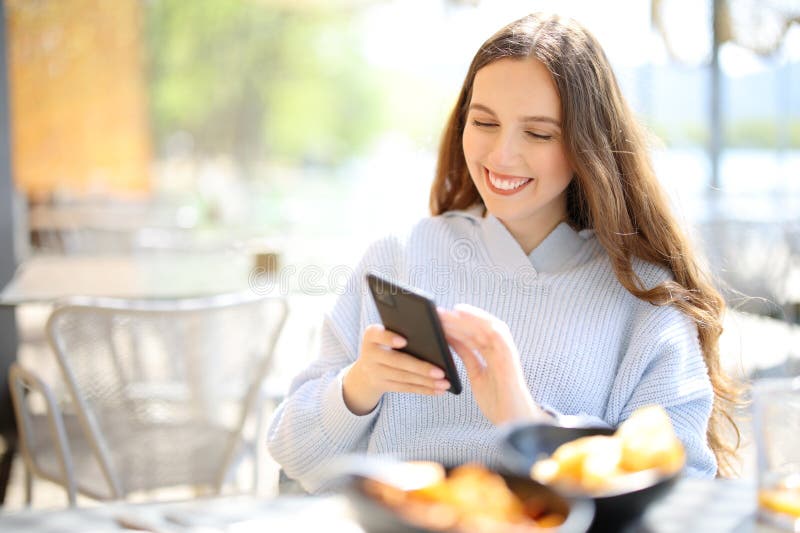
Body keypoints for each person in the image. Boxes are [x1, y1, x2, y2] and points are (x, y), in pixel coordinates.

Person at [267, 12, 740, 493]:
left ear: (587, 146)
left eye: (538, 133)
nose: (501, 155)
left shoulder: (646, 300)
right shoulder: (399, 257)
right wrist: (359, 386)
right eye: (485, 122)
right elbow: (293, 455)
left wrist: (530, 423)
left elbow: (684, 492)